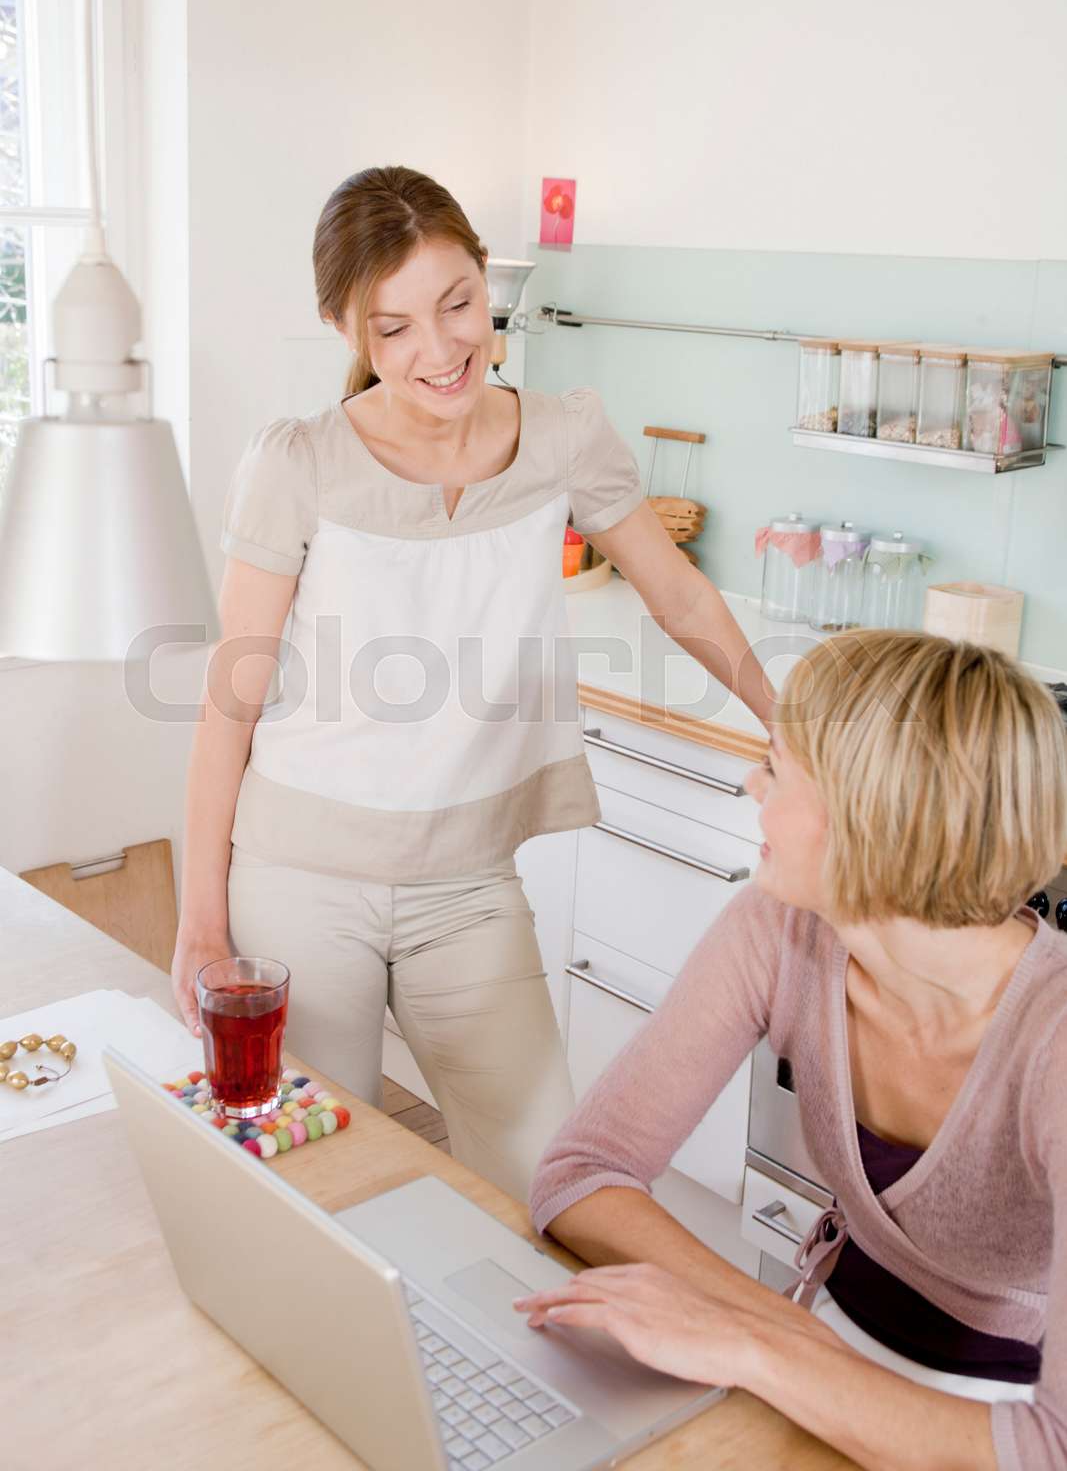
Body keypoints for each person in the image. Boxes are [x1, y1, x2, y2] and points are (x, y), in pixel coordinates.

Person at [171, 164, 771, 1199]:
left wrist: (787, 719)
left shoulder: (563, 436)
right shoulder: (299, 464)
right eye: (392, 326)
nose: (439, 350)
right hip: (299, 883)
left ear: (487, 281)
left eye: (457, 306)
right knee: (316, 1183)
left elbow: (676, 596)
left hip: (467, 886)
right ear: (345, 329)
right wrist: (200, 918)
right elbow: (232, 699)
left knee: (545, 1178)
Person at [524, 630, 1067, 1469]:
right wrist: (771, 1335)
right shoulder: (779, 929)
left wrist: (758, 1346)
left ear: (870, 817)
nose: (750, 781)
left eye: (775, 767)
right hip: (822, 1338)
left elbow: (1048, 1447)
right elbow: (579, 1174)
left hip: (998, 1414)